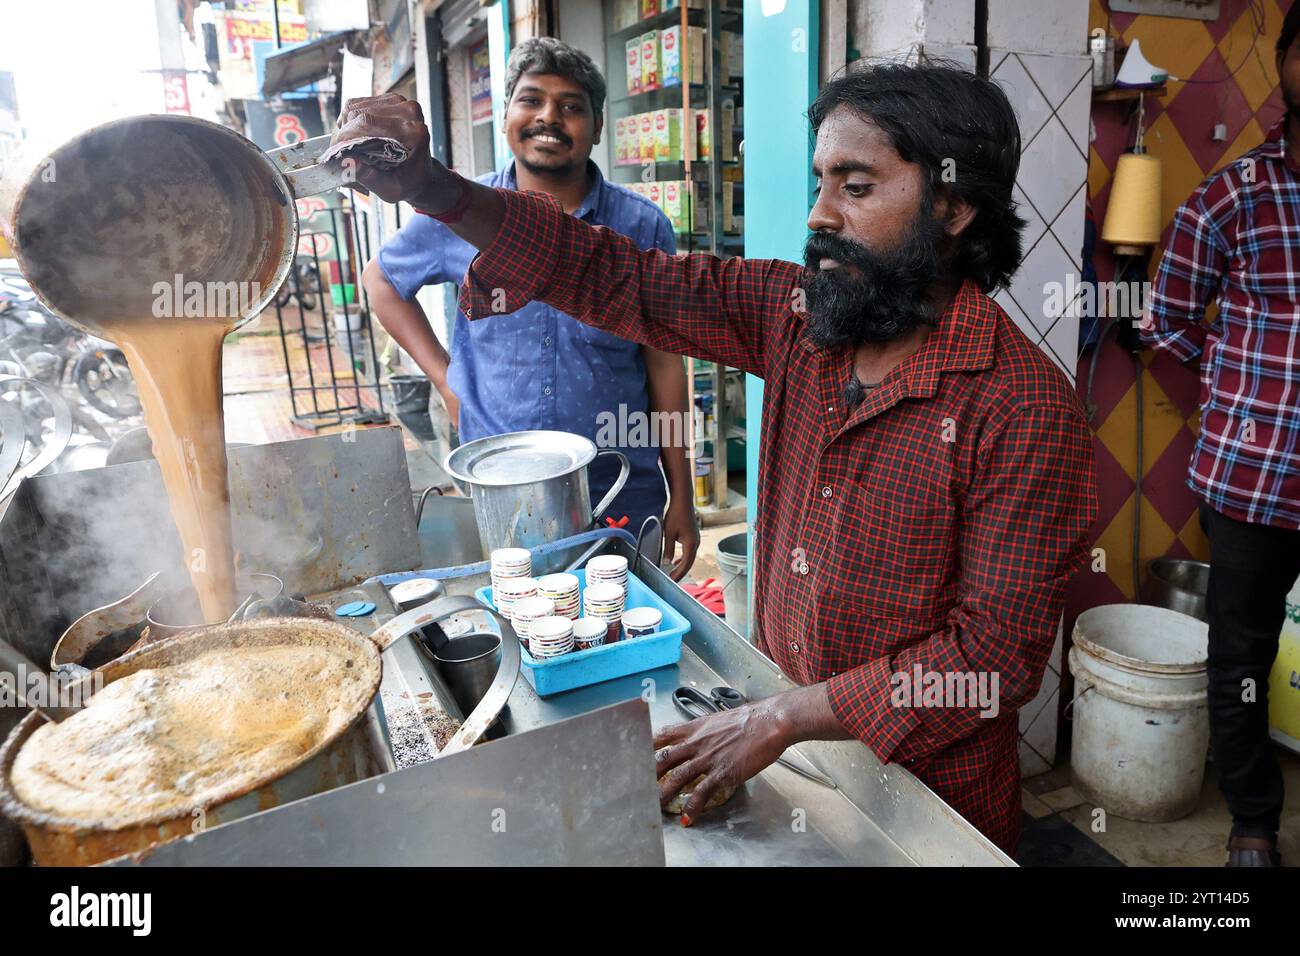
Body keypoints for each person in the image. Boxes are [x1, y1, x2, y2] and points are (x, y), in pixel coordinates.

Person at [332, 61, 1098, 856]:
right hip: (797, 760)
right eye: (821, 182)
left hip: (928, 806)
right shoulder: (796, 316)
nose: (819, 215)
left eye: (857, 188)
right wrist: (434, 188)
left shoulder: (1022, 406)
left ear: (951, 205)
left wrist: (782, 718)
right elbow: (617, 274)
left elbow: (992, 660)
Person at [363, 38, 698, 578]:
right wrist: (447, 381)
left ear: (597, 124)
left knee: (618, 626)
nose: (550, 117)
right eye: (532, 100)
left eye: (571, 106)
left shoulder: (641, 226)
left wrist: (682, 493)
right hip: (503, 488)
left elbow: (663, 362)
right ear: (505, 116)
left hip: (618, 486)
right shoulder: (460, 212)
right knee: (519, 628)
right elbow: (380, 281)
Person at [1140, 6, 1300, 869]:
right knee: (1241, 653)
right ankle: (1252, 824)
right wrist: (1245, 388)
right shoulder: (1234, 194)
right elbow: (1165, 321)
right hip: (1255, 481)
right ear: (1284, 62)